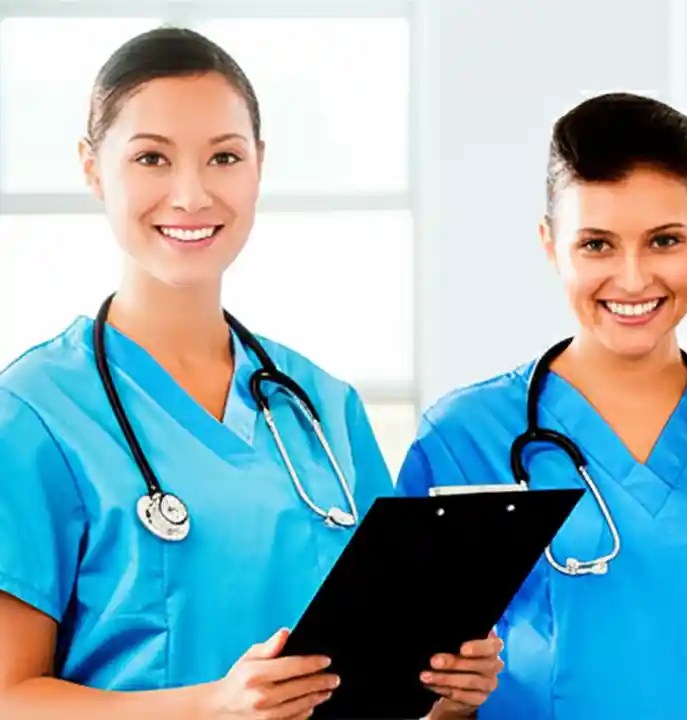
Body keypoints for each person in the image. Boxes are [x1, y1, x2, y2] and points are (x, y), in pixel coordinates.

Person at [0, 27, 500, 719]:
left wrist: (445, 697)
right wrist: (211, 708)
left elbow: (374, 680)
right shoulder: (34, 412)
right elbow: (9, 697)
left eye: (224, 157)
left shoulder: (323, 407)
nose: (191, 194)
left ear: (259, 165)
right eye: (151, 158)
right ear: (91, 168)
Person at [394, 92, 687, 719]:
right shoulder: (462, 440)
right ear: (549, 244)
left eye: (664, 240)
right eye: (596, 245)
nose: (634, 278)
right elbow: (416, 697)